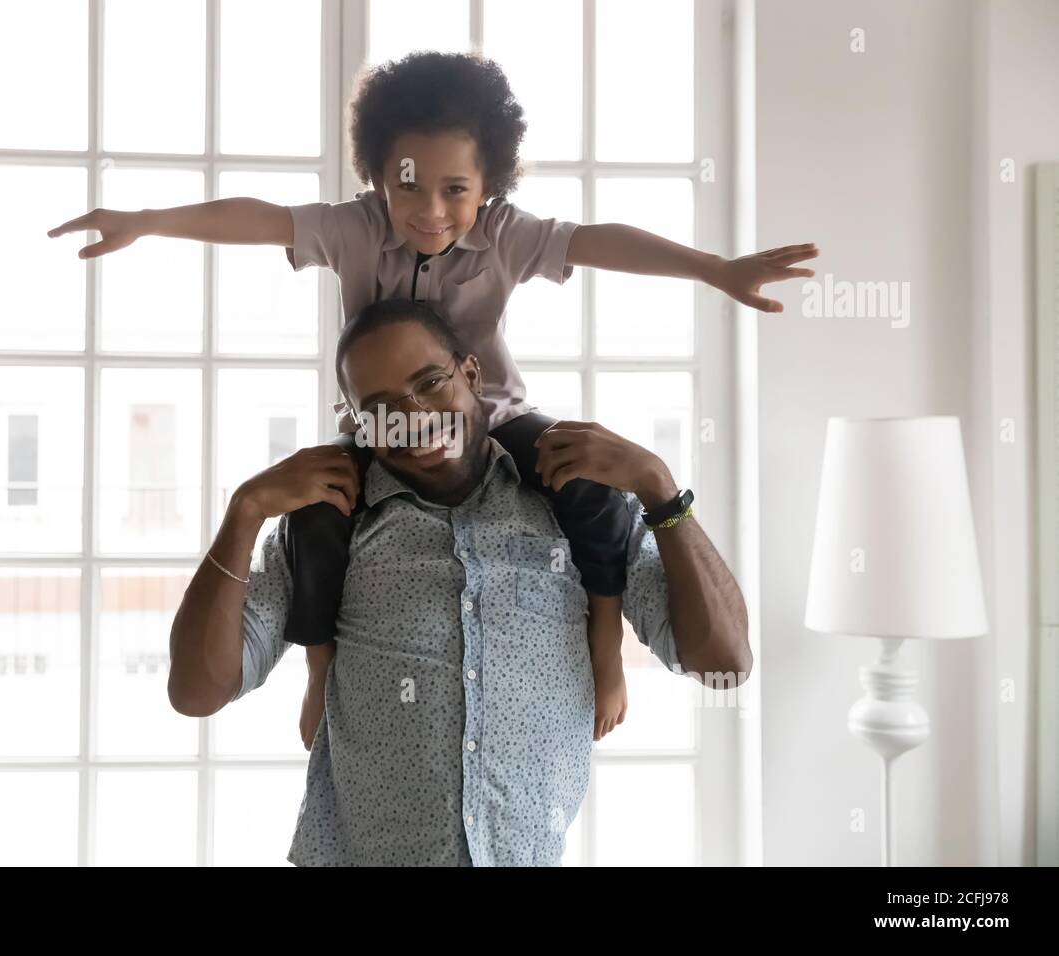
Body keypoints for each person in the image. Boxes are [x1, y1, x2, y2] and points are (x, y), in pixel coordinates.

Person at [51, 51, 808, 746]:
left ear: (490, 188)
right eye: (407, 184)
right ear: (378, 173)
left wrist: (714, 269)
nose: (430, 211)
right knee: (320, 516)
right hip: (374, 425)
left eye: (456, 190)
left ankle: (604, 647)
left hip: (497, 418)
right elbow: (257, 218)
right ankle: (320, 672)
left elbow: (602, 241)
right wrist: (148, 222)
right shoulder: (352, 229)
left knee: (584, 487)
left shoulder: (508, 236)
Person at [166, 299, 751, 866]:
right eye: (382, 408)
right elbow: (197, 691)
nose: (415, 419)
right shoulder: (330, 526)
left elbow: (723, 660)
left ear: (471, 372)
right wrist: (244, 510)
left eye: (430, 384)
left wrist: (659, 489)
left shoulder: (574, 507)